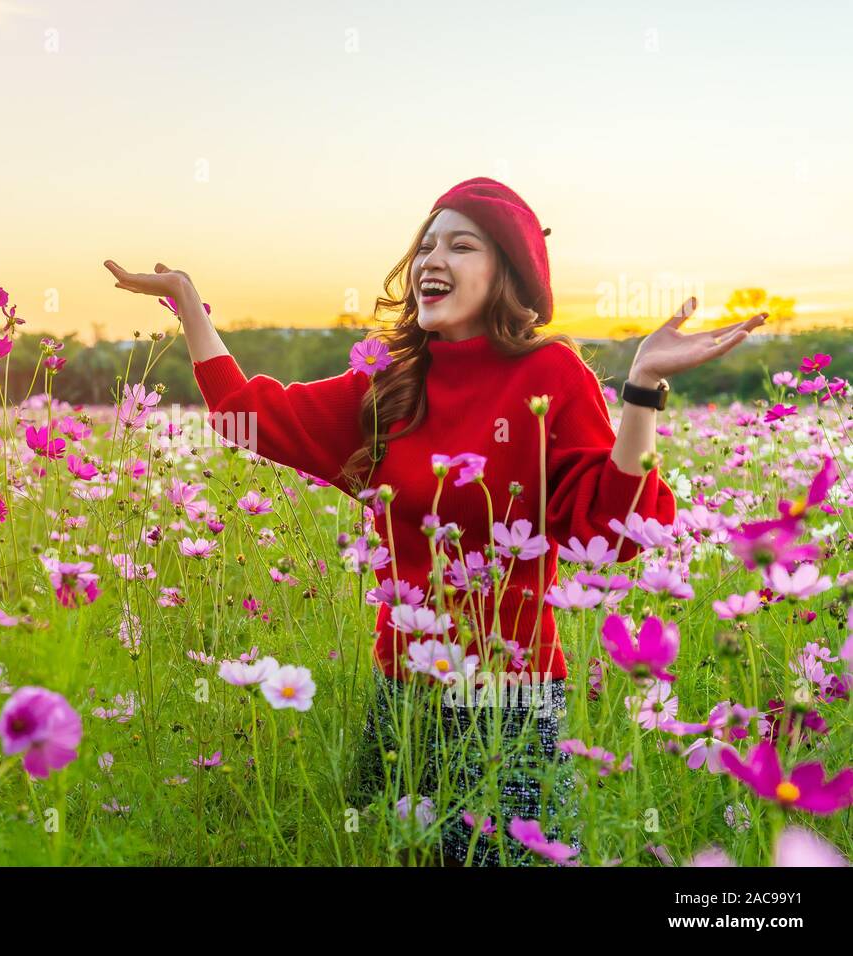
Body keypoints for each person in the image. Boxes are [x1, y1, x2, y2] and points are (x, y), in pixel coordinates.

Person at [103, 177, 767, 864]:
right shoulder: (389, 381)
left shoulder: (551, 372)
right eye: (424, 246)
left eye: (460, 244)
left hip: (508, 694)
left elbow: (612, 530)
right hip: (401, 689)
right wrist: (187, 302)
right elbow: (246, 416)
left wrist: (640, 393)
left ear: (506, 272)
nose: (431, 261)